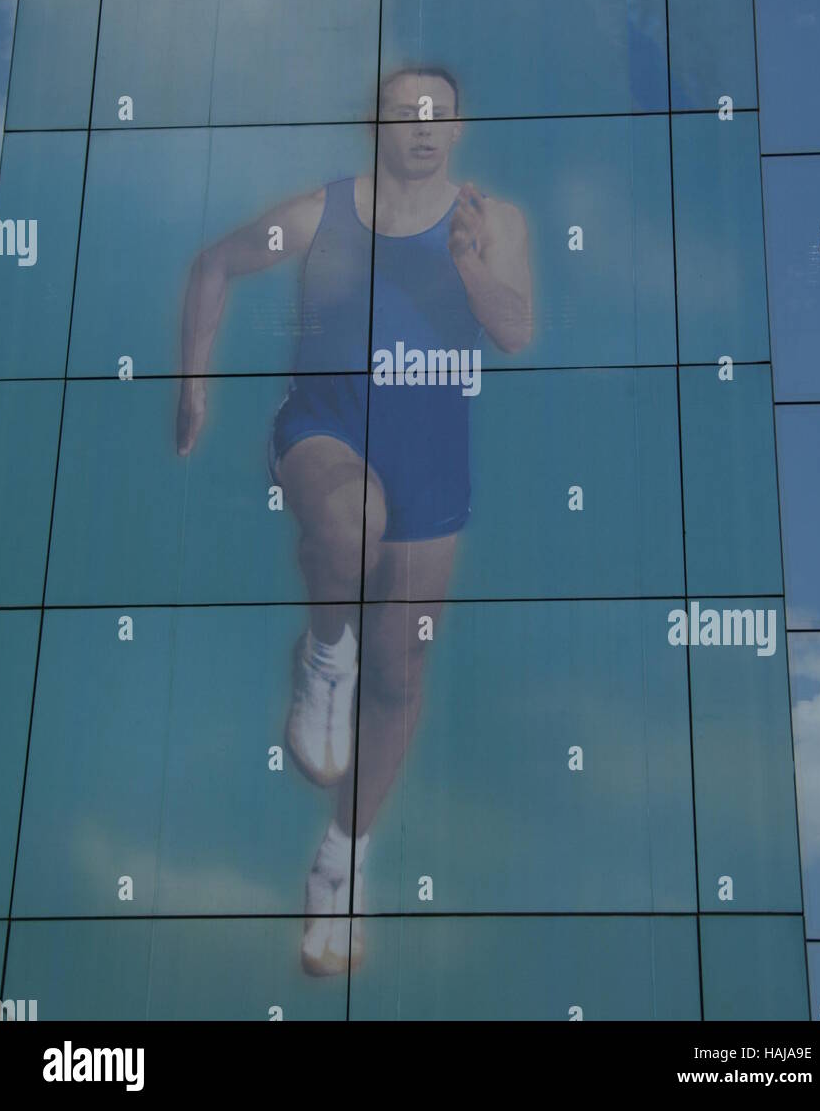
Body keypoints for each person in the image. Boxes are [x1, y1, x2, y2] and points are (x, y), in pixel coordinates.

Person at [176, 68, 533, 975]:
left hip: (434, 458)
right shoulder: (318, 212)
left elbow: (514, 330)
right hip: (326, 430)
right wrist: (193, 382)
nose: (419, 127)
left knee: (402, 672)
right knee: (350, 523)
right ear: (373, 123)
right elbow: (215, 262)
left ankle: (340, 863)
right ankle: (324, 654)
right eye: (401, 112)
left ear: (456, 131)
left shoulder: (492, 220)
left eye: (436, 115)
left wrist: (464, 263)